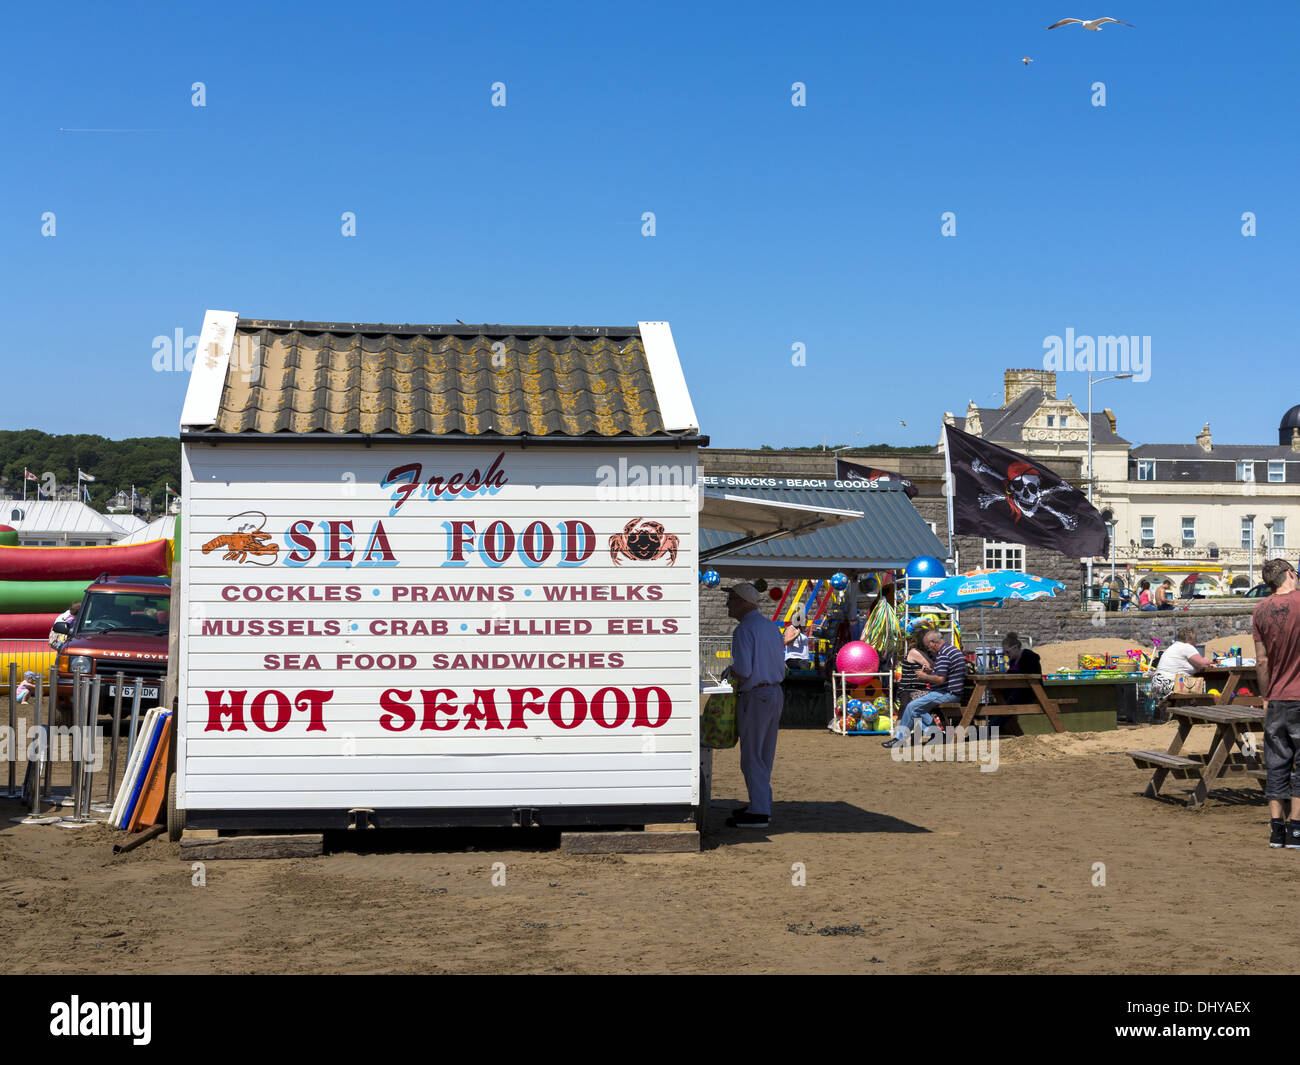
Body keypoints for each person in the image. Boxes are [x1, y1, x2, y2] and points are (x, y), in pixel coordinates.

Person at [722, 583, 786, 829]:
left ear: (741, 602)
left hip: (756, 695)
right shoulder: (770, 627)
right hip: (773, 692)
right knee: (764, 753)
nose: (727, 604)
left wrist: (729, 672)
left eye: (731, 600)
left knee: (752, 756)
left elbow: (744, 670)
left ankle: (759, 809)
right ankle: (761, 804)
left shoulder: (744, 630)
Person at [1252, 558, 1300, 848]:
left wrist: (1266, 695)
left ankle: (1275, 830)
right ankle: (1296, 829)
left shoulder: (1259, 610)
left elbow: (1261, 661)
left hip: (1277, 696)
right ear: (1290, 574)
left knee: (1276, 762)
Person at [883, 628, 966, 748]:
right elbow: (944, 674)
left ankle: (899, 739)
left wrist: (924, 676)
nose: (928, 650)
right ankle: (936, 735)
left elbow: (940, 679)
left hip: (947, 693)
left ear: (933, 642)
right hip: (950, 691)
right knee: (915, 708)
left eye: (928, 646)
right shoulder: (949, 650)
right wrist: (932, 671)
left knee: (912, 706)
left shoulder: (944, 654)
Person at [897, 627, 934, 708]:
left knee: (916, 717)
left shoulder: (926, 653)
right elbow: (932, 666)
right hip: (910, 691)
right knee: (907, 717)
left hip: (918, 690)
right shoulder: (914, 652)